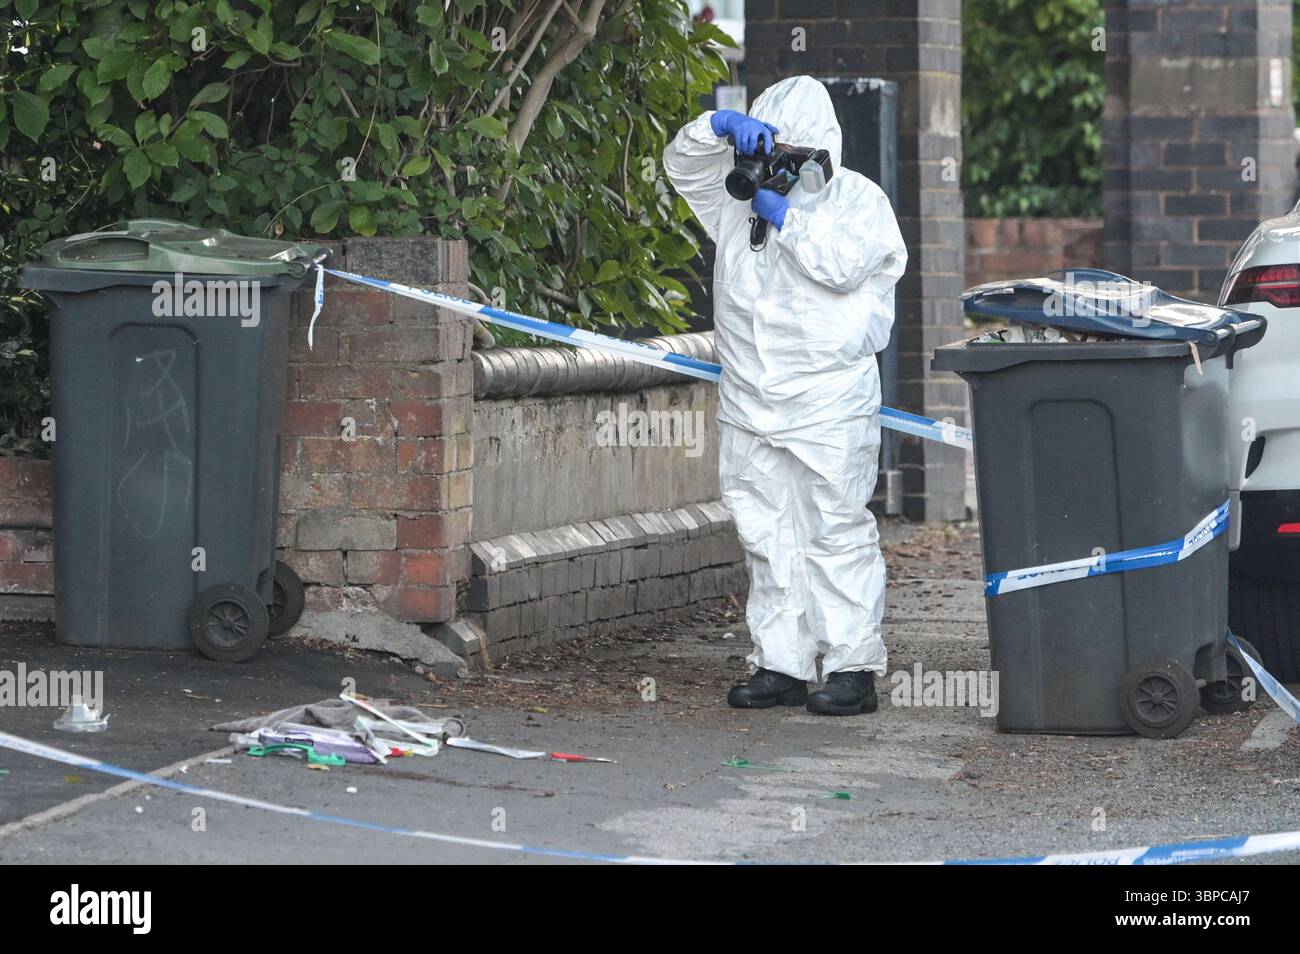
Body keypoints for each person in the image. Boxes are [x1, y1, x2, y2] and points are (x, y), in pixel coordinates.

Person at [663, 76, 907, 716]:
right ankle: (782, 664)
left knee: (834, 529)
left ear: (819, 151)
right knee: (765, 534)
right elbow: (679, 167)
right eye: (768, 150)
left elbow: (844, 266)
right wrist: (714, 128)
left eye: (787, 153)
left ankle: (852, 665)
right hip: (749, 399)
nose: (774, 166)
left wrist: (787, 218)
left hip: (828, 400)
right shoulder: (734, 204)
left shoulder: (858, 201)